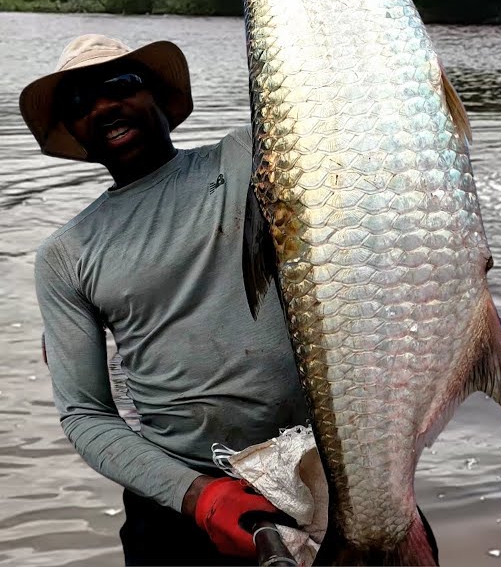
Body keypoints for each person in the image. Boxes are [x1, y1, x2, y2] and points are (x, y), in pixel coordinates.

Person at [21, 35, 445, 565]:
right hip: (180, 494)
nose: (103, 107)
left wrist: (455, 300)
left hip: (334, 469)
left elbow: (373, 179)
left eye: (118, 86)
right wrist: (200, 497)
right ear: (73, 129)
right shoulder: (66, 254)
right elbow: (85, 413)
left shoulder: (249, 156)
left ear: (157, 95)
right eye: (79, 104)